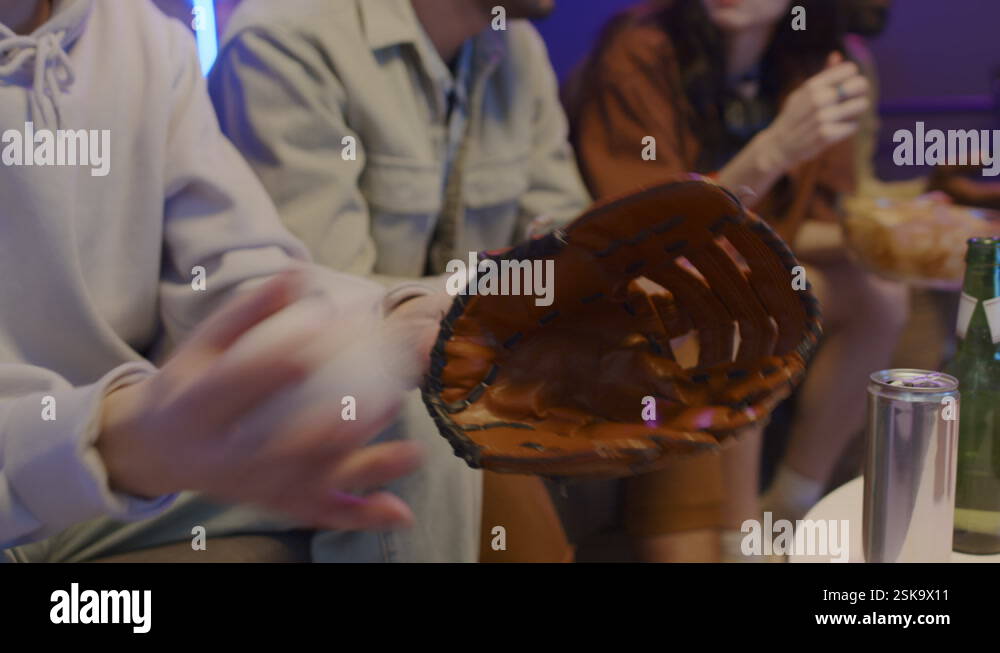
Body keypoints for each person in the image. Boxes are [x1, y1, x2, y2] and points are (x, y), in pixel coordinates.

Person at [0, 0, 453, 563]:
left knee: (402, 400)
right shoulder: (282, 35)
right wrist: (106, 439)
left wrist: (383, 320)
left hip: (129, 458)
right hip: (53, 473)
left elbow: (237, 274)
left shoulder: (148, 38)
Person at [209, 0, 592, 562]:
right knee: (417, 377)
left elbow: (571, 247)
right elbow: (325, 302)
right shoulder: (285, 37)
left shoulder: (516, 45)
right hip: (315, 374)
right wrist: (513, 294)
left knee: (673, 348)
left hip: (468, 355)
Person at [566, 0, 909, 558]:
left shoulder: (811, 62)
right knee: (753, 294)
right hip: (646, 284)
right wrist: (772, 150)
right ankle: (741, 539)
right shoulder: (642, 48)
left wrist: (904, 230)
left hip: (747, 263)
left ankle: (793, 503)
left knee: (883, 296)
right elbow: (645, 237)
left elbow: (819, 220)